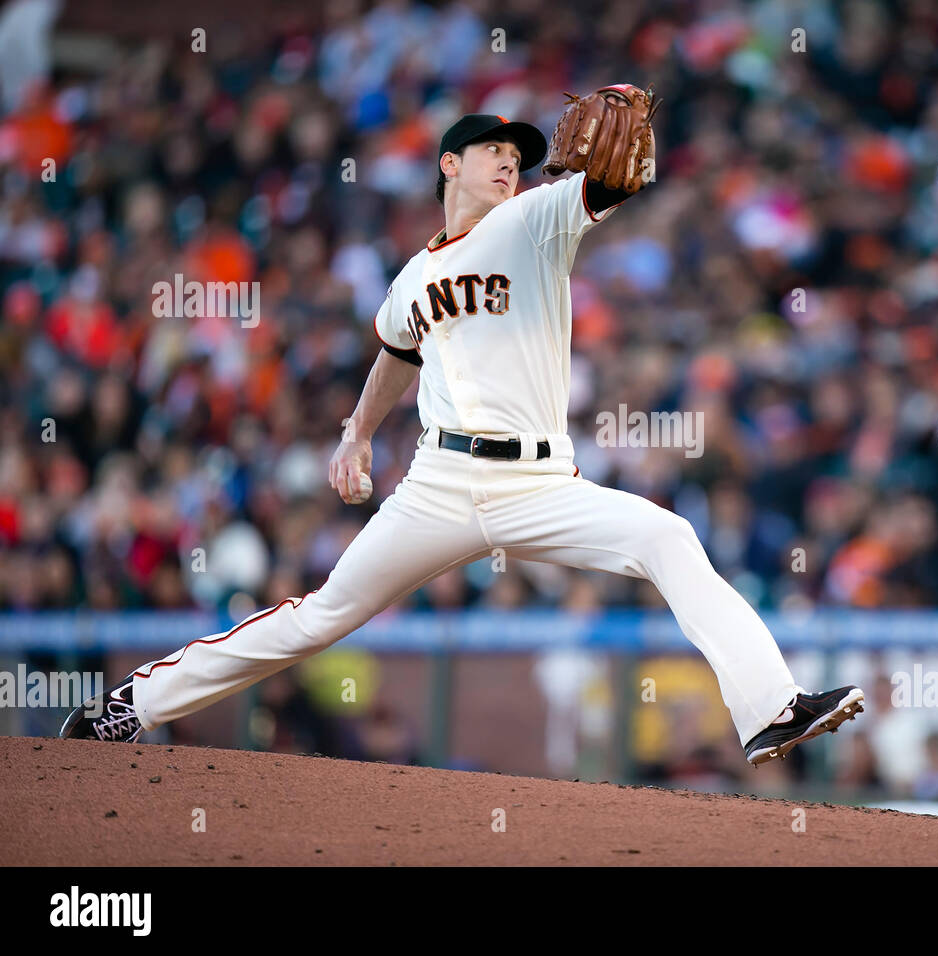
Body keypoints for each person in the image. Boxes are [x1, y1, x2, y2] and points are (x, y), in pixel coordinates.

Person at [59, 100, 864, 765]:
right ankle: (135, 706)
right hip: (437, 486)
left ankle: (772, 708)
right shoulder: (412, 276)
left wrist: (626, 153)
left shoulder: (539, 220)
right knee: (320, 615)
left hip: (541, 485)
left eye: (518, 152)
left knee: (668, 537)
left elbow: (611, 184)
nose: (509, 161)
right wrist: (355, 433)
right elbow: (394, 354)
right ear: (449, 166)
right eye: (491, 151)